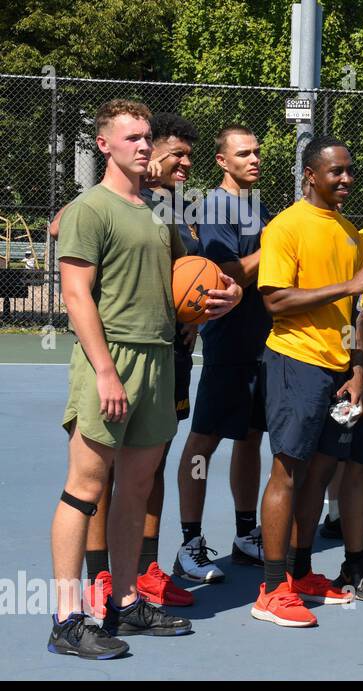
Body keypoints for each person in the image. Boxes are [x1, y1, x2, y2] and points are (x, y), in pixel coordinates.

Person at [48, 99, 239, 658]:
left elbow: (189, 279)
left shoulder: (160, 211)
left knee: (135, 488)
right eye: (130, 136)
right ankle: (66, 617)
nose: (141, 144)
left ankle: (126, 602)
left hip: (159, 362)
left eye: (145, 135)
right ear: (104, 144)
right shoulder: (90, 208)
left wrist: (222, 296)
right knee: (84, 489)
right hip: (110, 362)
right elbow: (76, 294)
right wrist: (105, 371)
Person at [250, 136, 363, 627]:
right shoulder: (286, 226)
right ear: (311, 175)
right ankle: (270, 587)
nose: (346, 179)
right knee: (288, 470)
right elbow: (275, 301)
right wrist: (346, 286)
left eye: (349, 170)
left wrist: (357, 367)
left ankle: (301, 571)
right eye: (336, 172)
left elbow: (355, 310)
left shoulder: (351, 232)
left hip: (336, 369)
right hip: (296, 362)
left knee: (321, 472)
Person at [81, 111, 206, 615]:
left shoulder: (172, 209)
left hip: (168, 351)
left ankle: (146, 569)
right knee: (105, 470)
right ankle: (100, 575)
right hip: (121, 351)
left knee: (148, 466)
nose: (183, 163)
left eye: (187, 157)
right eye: (174, 153)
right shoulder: (111, 202)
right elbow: (62, 225)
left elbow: (186, 276)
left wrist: (199, 303)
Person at [173, 124, 273, 582]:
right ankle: (190, 543)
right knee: (204, 442)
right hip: (229, 344)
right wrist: (274, 248)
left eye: (256, 152)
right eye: (243, 153)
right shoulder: (215, 205)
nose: (253, 159)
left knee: (251, 438)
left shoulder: (259, 206)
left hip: (263, 341)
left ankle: (245, 533)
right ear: (222, 161)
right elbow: (224, 273)